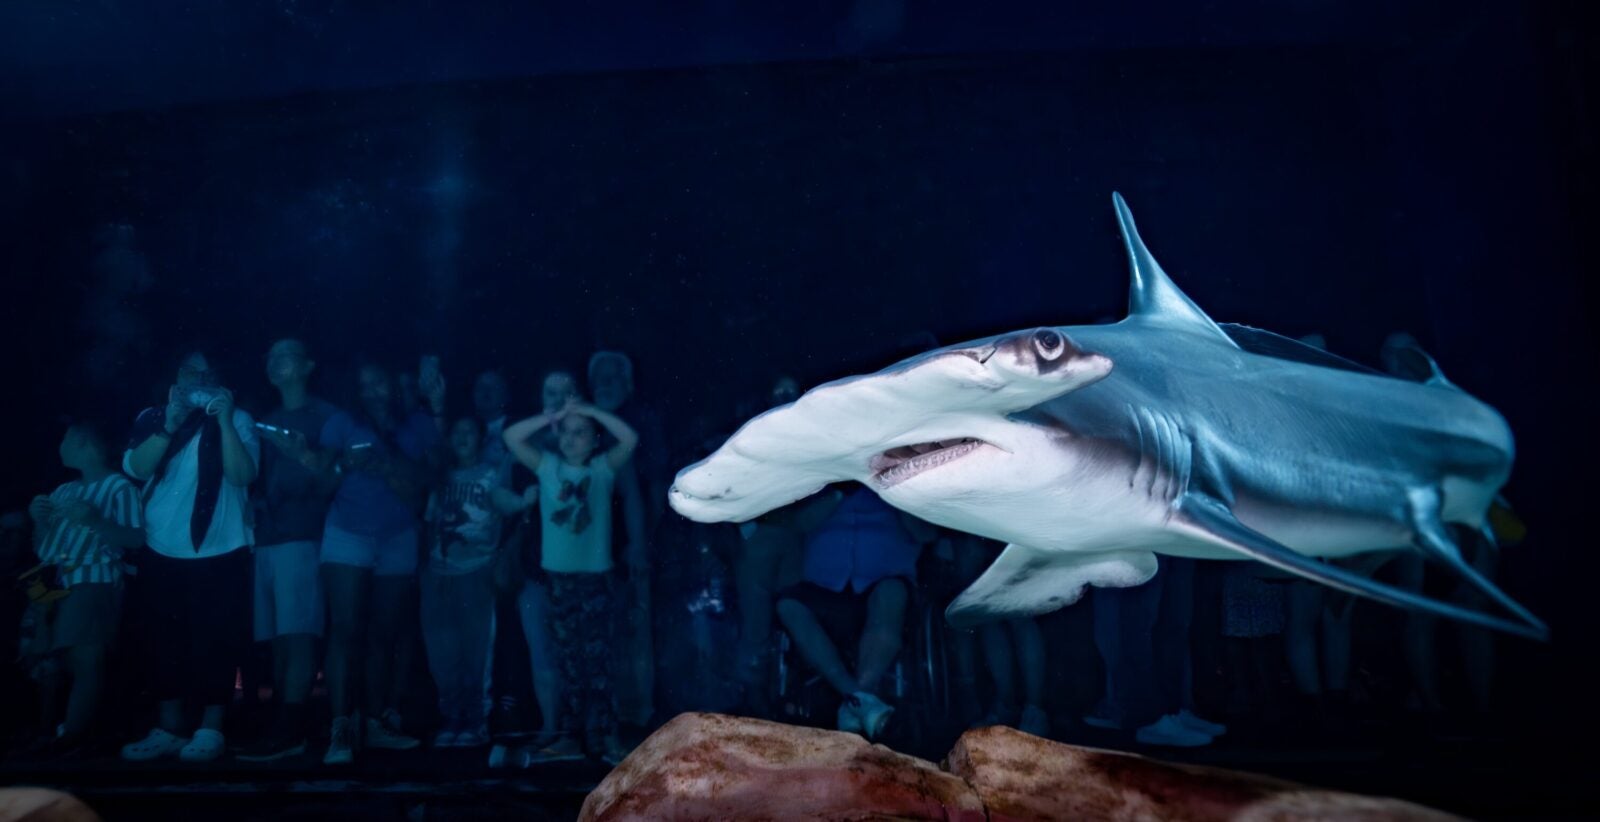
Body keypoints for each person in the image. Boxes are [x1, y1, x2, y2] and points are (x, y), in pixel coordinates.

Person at [120, 350, 259, 763]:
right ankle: (169, 728)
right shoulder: (151, 416)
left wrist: (225, 418)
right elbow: (137, 469)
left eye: (206, 373)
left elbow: (242, 475)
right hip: (161, 546)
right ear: (177, 374)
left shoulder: (239, 418)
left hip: (222, 547)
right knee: (165, 641)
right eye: (190, 371)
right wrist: (170, 423)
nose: (197, 380)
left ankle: (210, 728)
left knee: (216, 639)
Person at [318, 361, 443, 764]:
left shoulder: (418, 423)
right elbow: (321, 481)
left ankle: (374, 722)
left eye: (379, 379)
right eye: (365, 382)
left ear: (392, 382)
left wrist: (388, 464)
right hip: (347, 531)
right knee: (344, 629)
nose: (373, 389)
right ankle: (340, 727)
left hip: (398, 535)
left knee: (383, 633)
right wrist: (343, 465)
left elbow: (432, 476)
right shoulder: (340, 423)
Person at [503, 396, 638, 765]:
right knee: (568, 663)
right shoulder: (547, 467)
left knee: (599, 663)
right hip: (559, 582)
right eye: (566, 432)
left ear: (595, 440)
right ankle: (570, 738)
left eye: (581, 433)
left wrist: (593, 412)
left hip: (596, 581)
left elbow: (629, 438)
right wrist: (553, 415)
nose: (571, 438)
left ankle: (607, 737)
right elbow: (512, 437)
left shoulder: (601, 470)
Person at [237, 338, 342, 762]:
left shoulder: (327, 417)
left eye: (286, 354)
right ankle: (284, 724)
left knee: (298, 635)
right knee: (279, 639)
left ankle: (293, 728)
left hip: (303, 537)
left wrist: (305, 457)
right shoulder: (264, 422)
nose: (275, 361)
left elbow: (335, 482)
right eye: (271, 355)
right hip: (266, 539)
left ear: (308, 364)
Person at [774, 483, 932, 741]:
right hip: (824, 586)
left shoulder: (904, 483)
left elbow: (926, 534)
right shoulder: (819, 482)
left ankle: (855, 701)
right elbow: (797, 523)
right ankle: (860, 701)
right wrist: (839, 492)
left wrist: (895, 495)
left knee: (891, 594)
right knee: (789, 605)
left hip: (885, 581)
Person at [22, 422, 144, 757]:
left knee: (85, 657)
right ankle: (54, 733)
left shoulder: (119, 488)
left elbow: (135, 539)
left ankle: (73, 735)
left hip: (95, 578)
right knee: (51, 662)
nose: (59, 445)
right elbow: (44, 549)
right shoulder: (63, 491)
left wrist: (96, 521)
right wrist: (40, 521)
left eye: (64, 438)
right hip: (56, 582)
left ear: (83, 442)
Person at [422, 418, 534, 748]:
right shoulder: (441, 478)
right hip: (440, 575)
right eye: (456, 430)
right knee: (442, 652)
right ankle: (452, 717)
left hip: (477, 572)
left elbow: (507, 505)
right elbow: (430, 523)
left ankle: (475, 720)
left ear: (480, 436)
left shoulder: (492, 473)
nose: (462, 435)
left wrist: (525, 500)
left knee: (476, 651)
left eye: (469, 429)